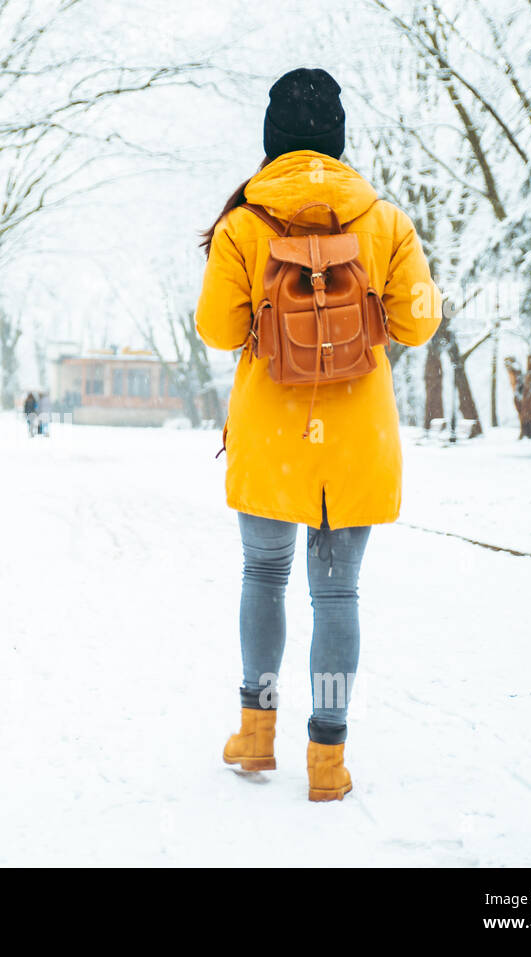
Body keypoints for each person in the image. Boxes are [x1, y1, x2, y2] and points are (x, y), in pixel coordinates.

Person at [195, 68, 441, 801]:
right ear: (338, 139)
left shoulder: (245, 223)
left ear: (272, 140)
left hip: (272, 437)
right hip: (356, 442)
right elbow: (418, 322)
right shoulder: (386, 221)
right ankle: (328, 759)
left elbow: (217, 329)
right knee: (337, 599)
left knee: (263, 580)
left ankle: (257, 731)